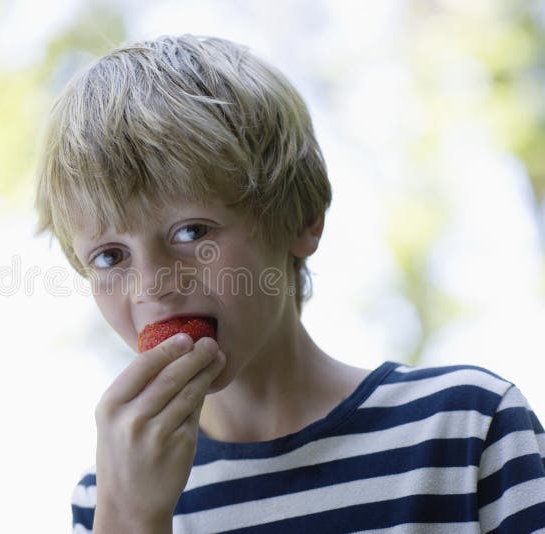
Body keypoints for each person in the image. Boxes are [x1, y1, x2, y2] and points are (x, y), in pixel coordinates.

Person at [33, 33, 545, 533]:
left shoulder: (469, 430)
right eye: (109, 256)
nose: (152, 284)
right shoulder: (107, 497)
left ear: (301, 219)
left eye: (191, 231)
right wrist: (131, 519)